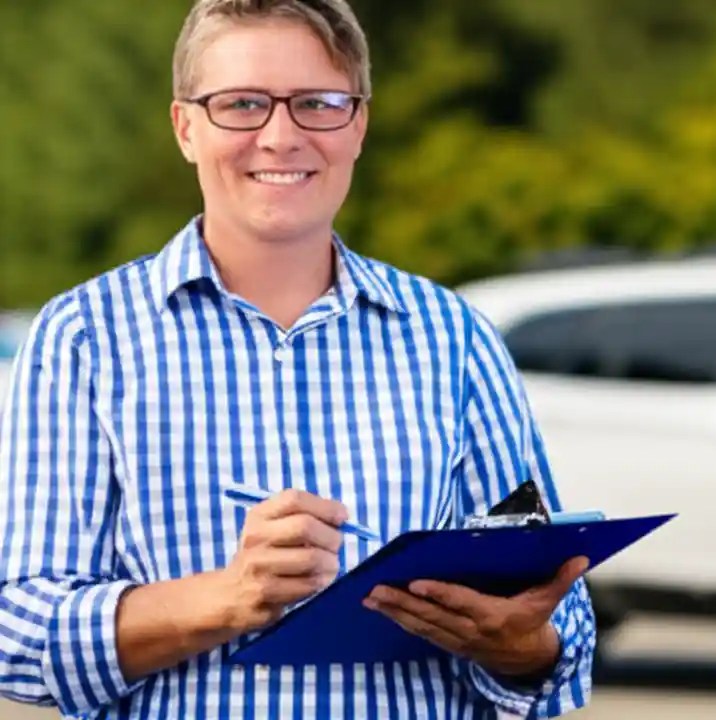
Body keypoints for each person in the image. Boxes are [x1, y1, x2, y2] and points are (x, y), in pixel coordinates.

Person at [0, 1, 595, 718]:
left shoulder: (454, 337)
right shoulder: (84, 338)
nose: (280, 136)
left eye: (317, 103)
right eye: (242, 104)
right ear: (186, 127)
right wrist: (225, 598)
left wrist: (522, 647)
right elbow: (17, 638)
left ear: (358, 125)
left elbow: (566, 635)